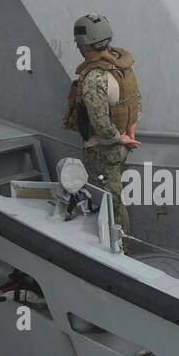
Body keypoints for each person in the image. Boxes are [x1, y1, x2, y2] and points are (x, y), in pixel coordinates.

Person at [62, 14, 141, 233]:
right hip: (122, 144)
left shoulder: (94, 77)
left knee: (110, 201)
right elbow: (135, 100)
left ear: (83, 45)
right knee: (115, 195)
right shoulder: (123, 66)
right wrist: (129, 131)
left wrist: (117, 137)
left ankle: (119, 247)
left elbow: (99, 121)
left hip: (101, 151)